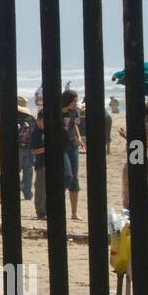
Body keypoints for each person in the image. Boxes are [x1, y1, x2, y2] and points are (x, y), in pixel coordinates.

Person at [62, 89, 83, 220]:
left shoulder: (74, 111)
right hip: (61, 147)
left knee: (74, 179)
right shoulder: (57, 110)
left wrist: (79, 137)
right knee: (67, 176)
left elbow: (74, 124)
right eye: (74, 101)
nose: (76, 103)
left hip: (72, 146)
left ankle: (74, 213)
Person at [16, 95, 35, 201]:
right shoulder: (31, 119)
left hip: (17, 147)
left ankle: (19, 186)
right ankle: (27, 193)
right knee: (28, 171)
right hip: (29, 147)